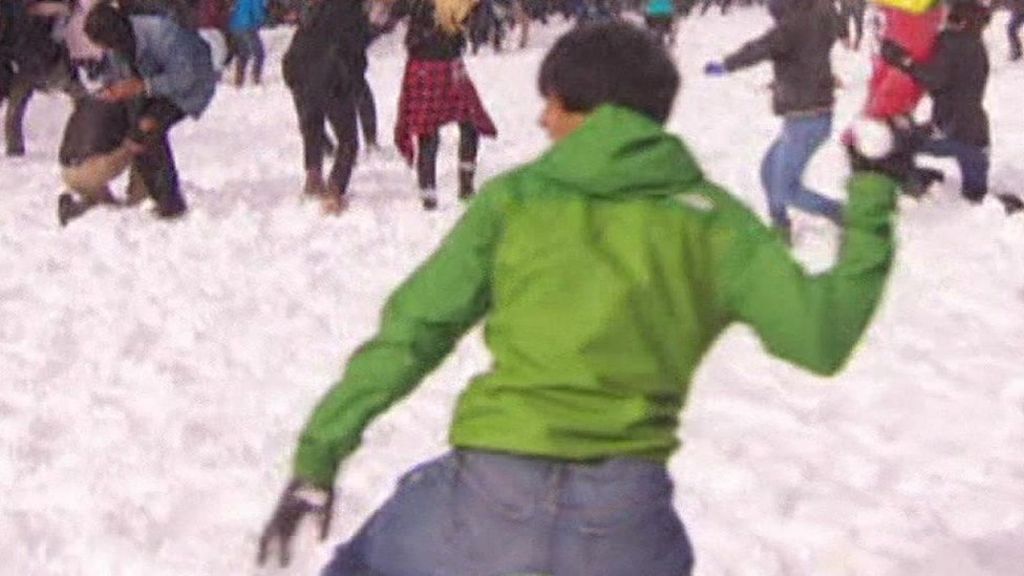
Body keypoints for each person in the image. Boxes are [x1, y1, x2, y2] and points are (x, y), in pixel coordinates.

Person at [257, 21, 904, 575]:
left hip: (486, 499)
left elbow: (412, 332)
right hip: (627, 524)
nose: (542, 118)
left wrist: (319, 457)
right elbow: (821, 337)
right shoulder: (713, 218)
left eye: (553, 101)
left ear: (579, 105)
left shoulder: (516, 201)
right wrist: (871, 200)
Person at [704, 0, 848, 242]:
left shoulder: (793, 25)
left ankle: (844, 215)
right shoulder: (817, 14)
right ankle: (780, 224)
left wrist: (726, 65)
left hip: (807, 117)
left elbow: (762, 47)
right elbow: (807, 52)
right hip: (807, 114)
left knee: (786, 188)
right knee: (769, 171)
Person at [84, 1, 218, 219]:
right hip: (151, 86)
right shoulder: (117, 45)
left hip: (190, 86)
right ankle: (154, 195)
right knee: (134, 137)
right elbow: (116, 72)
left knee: (149, 127)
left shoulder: (161, 33)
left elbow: (186, 77)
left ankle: (171, 204)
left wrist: (143, 86)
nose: (107, 50)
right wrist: (110, 89)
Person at [388, 0, 497, 209]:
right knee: (459, 126)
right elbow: (479, 28)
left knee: (437, 130)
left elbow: (393, 14)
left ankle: (436, 193)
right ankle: (457, 188)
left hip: (430, 65)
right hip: (440, 63)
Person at [281, 0, 371, 214]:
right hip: (332, 77)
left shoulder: (316, 9)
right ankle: (335, 190)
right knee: (348, 139)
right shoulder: (350, 10)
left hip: (300, 72)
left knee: (312, 127)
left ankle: (313, 179)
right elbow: (354, 46)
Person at [228, 0, 266, 86]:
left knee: (243, 53)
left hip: (235, 26)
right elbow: (257, 12)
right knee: (259, 53)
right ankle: (256, 78)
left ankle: (239, 79)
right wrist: (260, 21)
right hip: (247, 26)